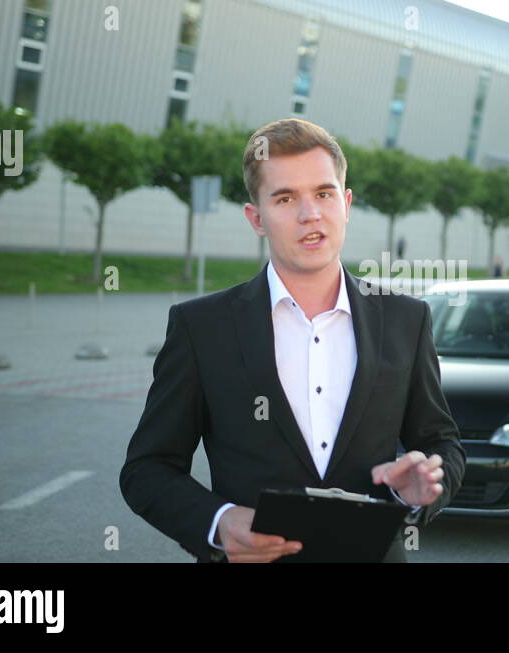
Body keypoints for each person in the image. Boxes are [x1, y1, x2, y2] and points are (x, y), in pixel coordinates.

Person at [119, 118, 466, 562]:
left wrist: (421, 489)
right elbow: (147, 469)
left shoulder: (406, 318)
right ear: (256, 218)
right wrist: (220, 521)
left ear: (347, 203)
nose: (310, 214)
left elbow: (443, 442)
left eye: (323, 193)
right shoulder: (201, 328)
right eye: (285, 198)